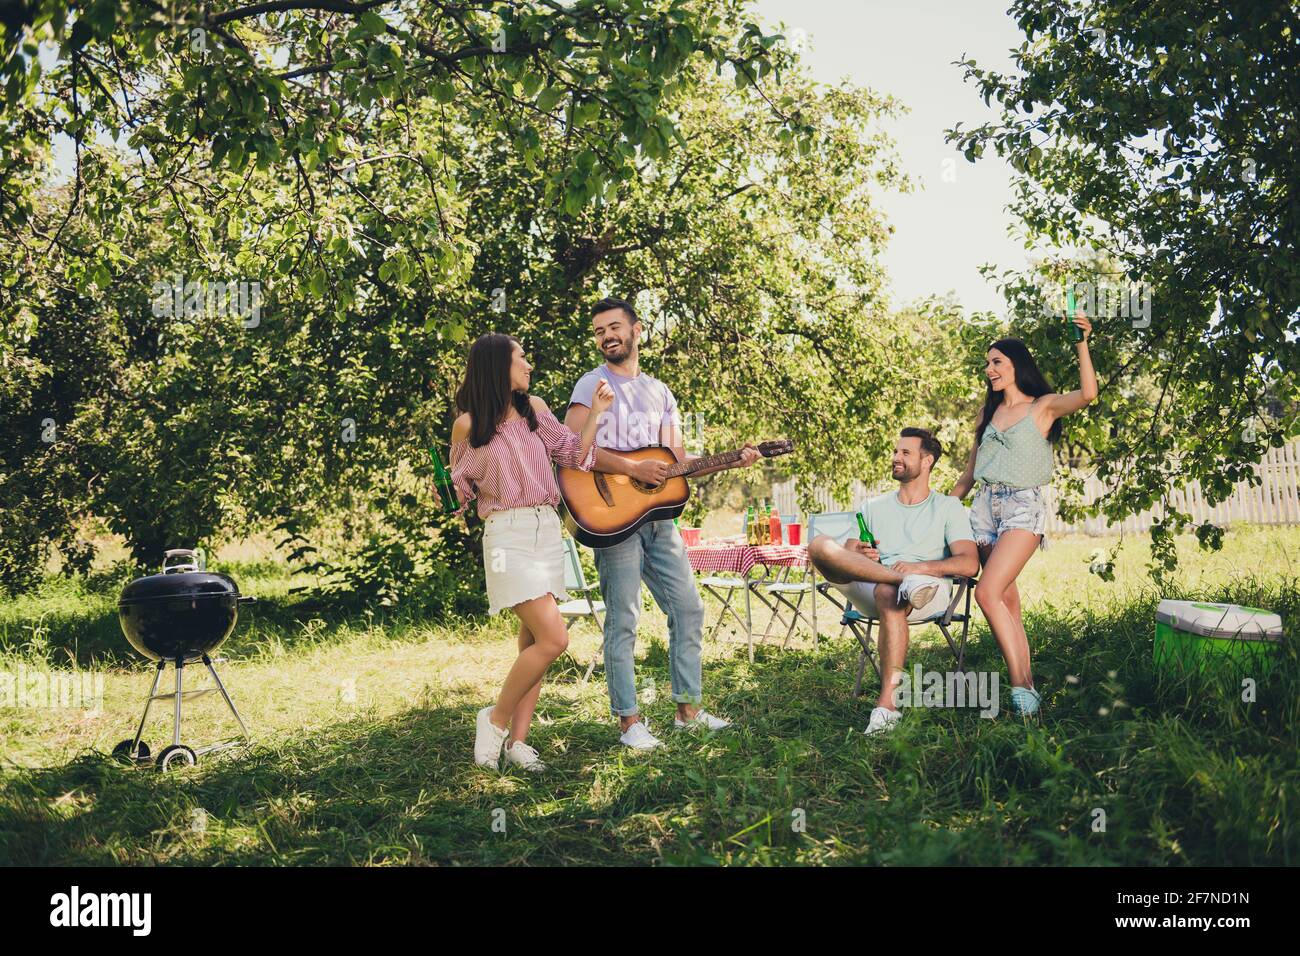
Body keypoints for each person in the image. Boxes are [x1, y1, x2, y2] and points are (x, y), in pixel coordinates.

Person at [564, 296, 761, 750]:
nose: (607, 336)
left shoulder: (661, 392)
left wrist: (733, 460)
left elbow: (676, 464)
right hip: (610, 516)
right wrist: (631, 470)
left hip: (656, 519)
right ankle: (629, 723)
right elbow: (569, 449)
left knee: (689, 607)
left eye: (615, 327)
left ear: (637, 331)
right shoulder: (590, 384)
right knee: (624, 617)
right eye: (599, 331)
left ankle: (687, 711)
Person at [444, 332, 615, 771]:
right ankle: (495, 720)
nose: (529, 366)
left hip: (546, 530)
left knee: (534, 640)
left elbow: (573, 455)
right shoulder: (468, 425)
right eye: (522, 358)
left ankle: (517, 743)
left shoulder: (535, 409)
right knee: (556, 638)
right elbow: (459, 494)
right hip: (507, 535)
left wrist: (595, 414)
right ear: (498, 365)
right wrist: (441, 490)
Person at [949, 313, 1097, 717]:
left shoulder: (1043, 408)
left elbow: (1087, 394)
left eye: (996, 361)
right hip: (982, 511)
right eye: (987, 363)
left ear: (1017, 365)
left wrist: (1081, 342)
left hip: (1022, 508)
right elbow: (968, 476)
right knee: (1007, 603)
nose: (989, 369)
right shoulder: (987, 415)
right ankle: (1028, 685)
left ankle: (1020, 692)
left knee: (986, 592)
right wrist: (939, 509)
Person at [807, 428, 980, 735]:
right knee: (820, 546)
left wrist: (920, 567)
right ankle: (901, 580)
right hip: (879, 581)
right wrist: (858, 551)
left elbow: (968, 562)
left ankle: (887, 705)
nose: (895, 457)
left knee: (890, 592)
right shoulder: (873, 507)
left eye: (905, 453)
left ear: (927, 461)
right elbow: (847, 554)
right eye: (895, 451)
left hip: (928, 590)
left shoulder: (947, 507)